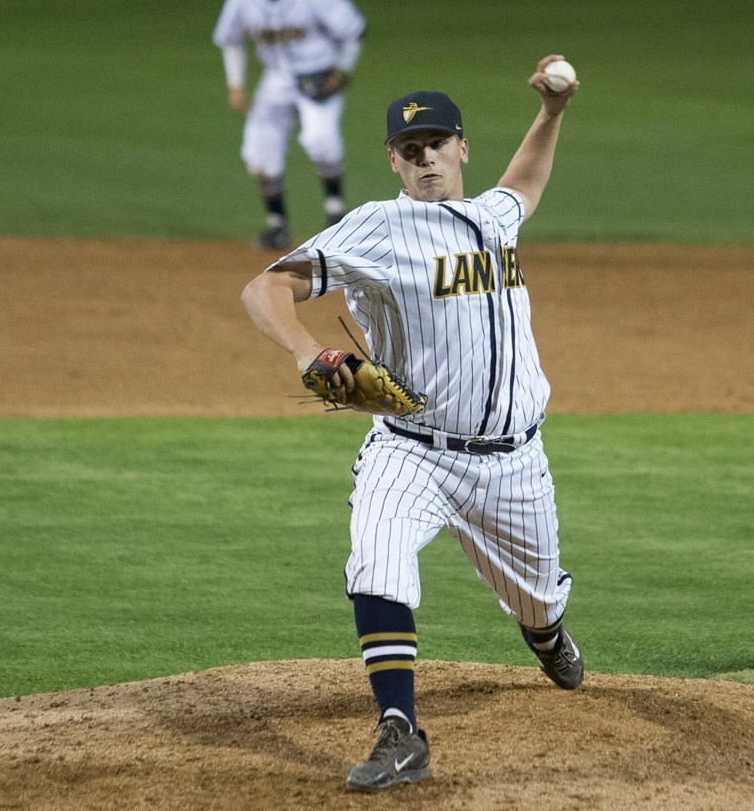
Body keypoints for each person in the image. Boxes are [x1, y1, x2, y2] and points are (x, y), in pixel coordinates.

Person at [241, 55, 583, 792]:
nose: (425, 158)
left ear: (461, 149)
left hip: (514, 463)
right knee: (377, 558)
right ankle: (400, 731)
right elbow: (266, 286)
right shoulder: (377, 228)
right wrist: (307, 350)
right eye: (409, 149)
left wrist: (552, 113)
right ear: (394, 162)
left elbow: (522, 185)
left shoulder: (491, 215)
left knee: (539, 601)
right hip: (412, 452)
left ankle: (546, 636)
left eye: (436, 144)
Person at [212, 0, 366, 252]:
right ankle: (277, 226)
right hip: (277, 79)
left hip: (318, 75)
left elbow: (354, 30)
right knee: (258, 154)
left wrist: (341, 72)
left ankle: (335, 215)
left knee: (321, 142)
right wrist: (236, 85)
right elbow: (231, 41)